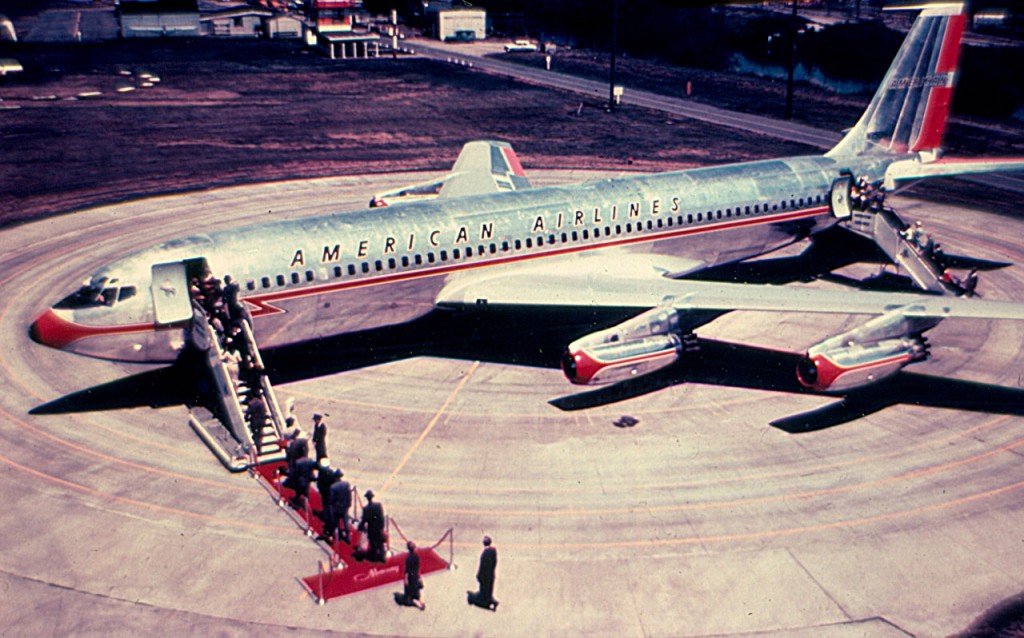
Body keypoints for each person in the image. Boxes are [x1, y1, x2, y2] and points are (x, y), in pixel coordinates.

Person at [468, 535, 498, 611]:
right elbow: (495, 562)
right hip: (491, 574)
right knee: (489, 590)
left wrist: (479, 575)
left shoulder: (485, 554)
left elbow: (482, 566)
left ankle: (487, 602)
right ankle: (490, 601)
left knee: (484, 590)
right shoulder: (493, 551)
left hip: (485, 576)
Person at [358, 489, 387, 562]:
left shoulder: (366, 509)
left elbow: (364, 520)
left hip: (371, 530)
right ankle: (383, 558)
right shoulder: (378, 506)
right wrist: (382, 528)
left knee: (373, 545)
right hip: (379, 528)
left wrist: (360, 527)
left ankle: (374, 559)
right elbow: (381, 518)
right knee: (381, 544)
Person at [325, 470, 352, 543]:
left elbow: (331, 499)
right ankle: (348, 536)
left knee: (334, 522)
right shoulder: (346, 484)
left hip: (336, 507)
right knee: (345, 521)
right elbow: (349, 495)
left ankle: (332, 535)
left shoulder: (333, 487)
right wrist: (349, 504)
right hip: (345, 506)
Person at [399, 540, 425, 610]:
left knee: (411, 595)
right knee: (420, 588)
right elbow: (418, 567)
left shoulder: (408, 559)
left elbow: (407, 570)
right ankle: (422, 601)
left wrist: (406, 579)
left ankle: (418, 605)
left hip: (411, 577)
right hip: (417, 575)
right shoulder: (417, 557)